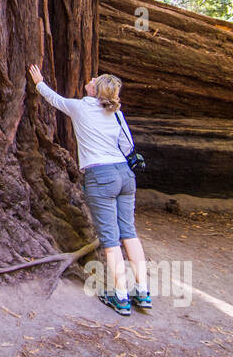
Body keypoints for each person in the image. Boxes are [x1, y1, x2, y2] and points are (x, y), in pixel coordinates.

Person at [27, 64, 150, 316]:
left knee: (110, 239)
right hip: (125, 175)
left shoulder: (82, 107)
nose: (91, 79)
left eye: (95, 80)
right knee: (129, 232)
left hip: (101, 176)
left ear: (96, 91)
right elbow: (128, 146)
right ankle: (143, 291)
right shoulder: (116, 113)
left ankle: (121, 297)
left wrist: (38, 82)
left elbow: (54, 100)